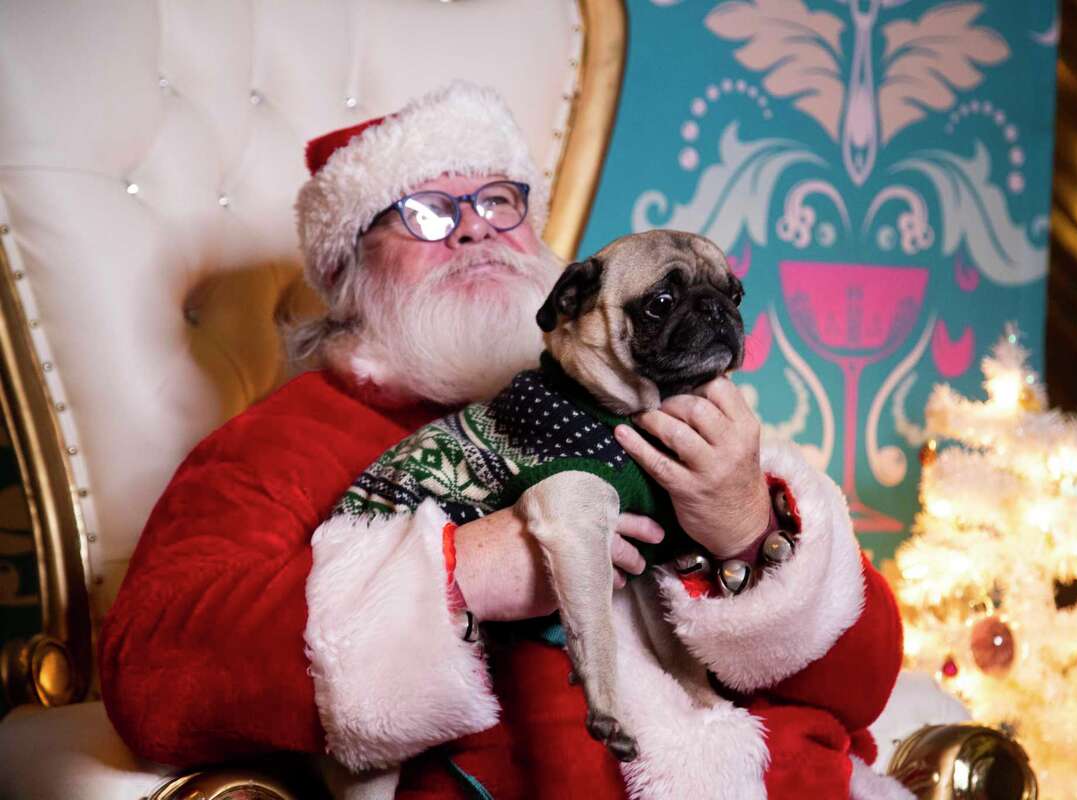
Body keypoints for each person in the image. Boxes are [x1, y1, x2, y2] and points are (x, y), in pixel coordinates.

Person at [99, 81, 906, 799]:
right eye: (424, 212)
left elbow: (863, 679)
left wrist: (746, 531)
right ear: (349, 272)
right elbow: (152, 676)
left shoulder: (672, 398)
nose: (474, 232)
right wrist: (458, 575)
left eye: (498, 201)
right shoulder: (282, 441)